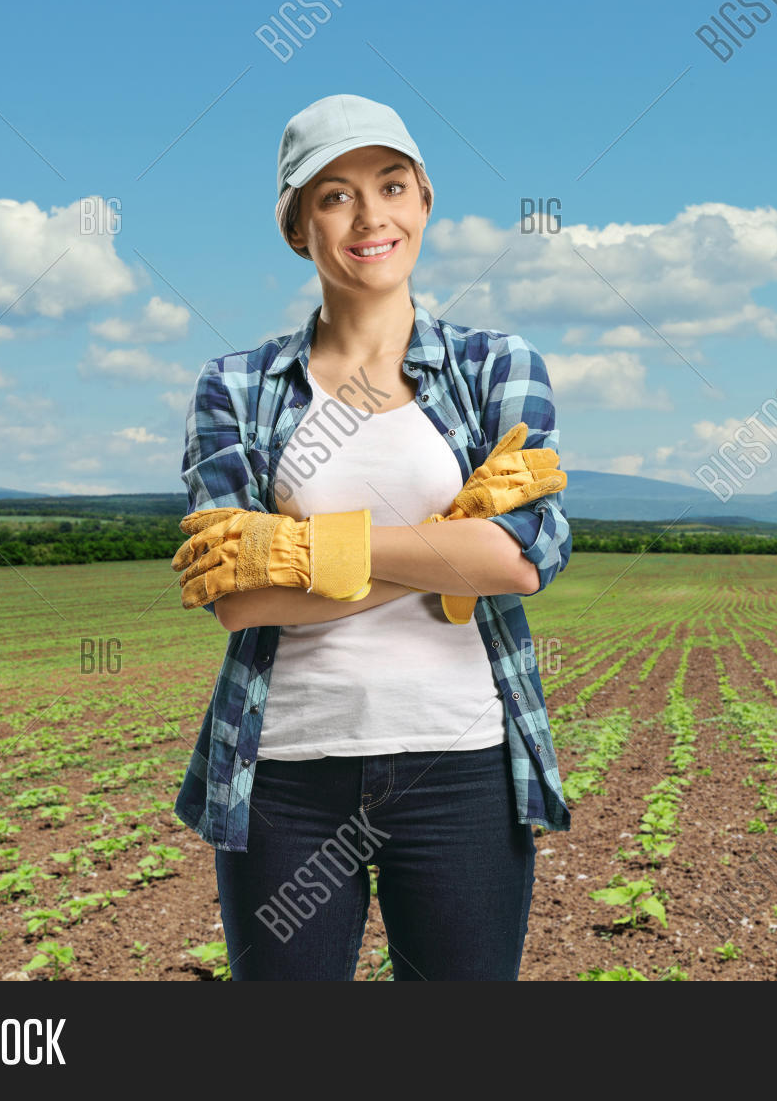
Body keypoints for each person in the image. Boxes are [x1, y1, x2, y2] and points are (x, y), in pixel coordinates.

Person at [169, 93, 572, 981]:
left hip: (461, 764)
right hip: (285, 775)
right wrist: (448, 546)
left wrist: (308, 550)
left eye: (392, 185)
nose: (370, 215)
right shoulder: (235, 386)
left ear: (425, 199)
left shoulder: (495, 366)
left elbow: (520, 559)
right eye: (335, 195)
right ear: (296, 226)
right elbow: (237, 598)